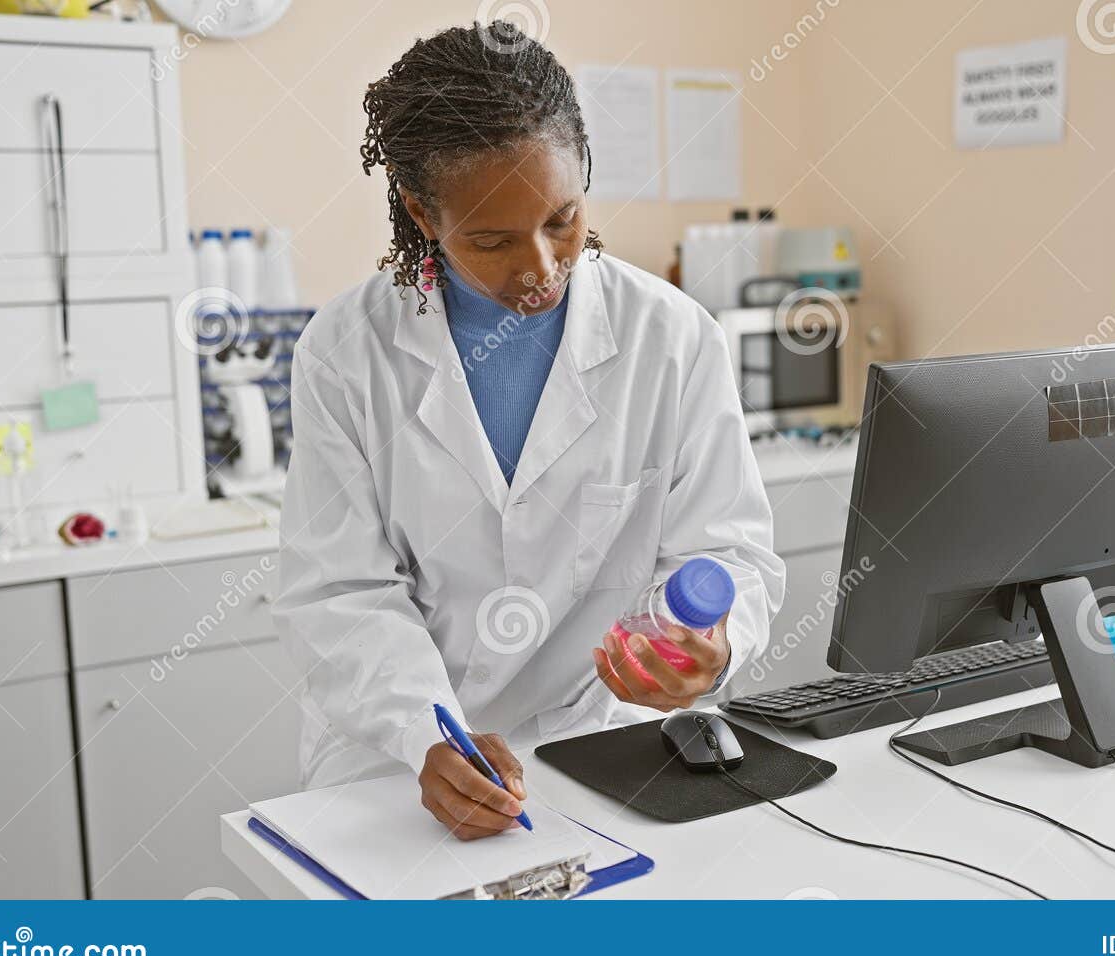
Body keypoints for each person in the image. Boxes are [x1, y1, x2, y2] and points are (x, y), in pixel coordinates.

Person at [273, 21, 784, 840]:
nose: (542, 267)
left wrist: (709, 646)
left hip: (597, 742)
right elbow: (340, 592)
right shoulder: (346, 353)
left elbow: (728, 552)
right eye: (493, 239)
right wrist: (423, 734)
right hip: (400, 764)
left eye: (563, 219)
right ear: (420, 211)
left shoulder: (674, 338)